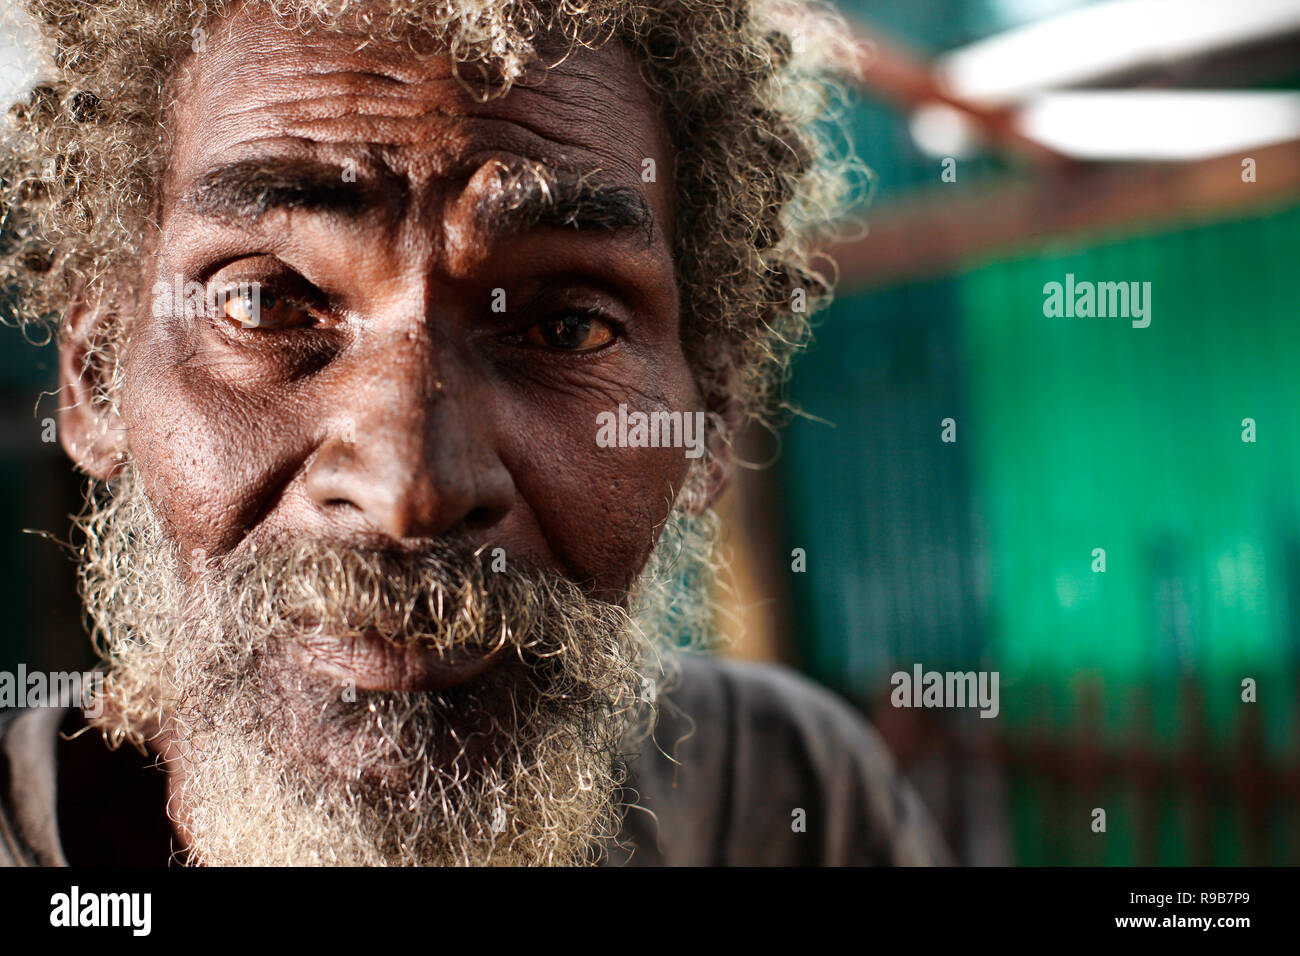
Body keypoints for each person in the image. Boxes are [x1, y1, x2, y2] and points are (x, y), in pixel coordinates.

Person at [0, 0, 949, 866]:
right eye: (264, 301)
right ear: (95, 380)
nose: (412, 484)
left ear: (707, 420)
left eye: (566, 326)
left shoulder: (790, 800)